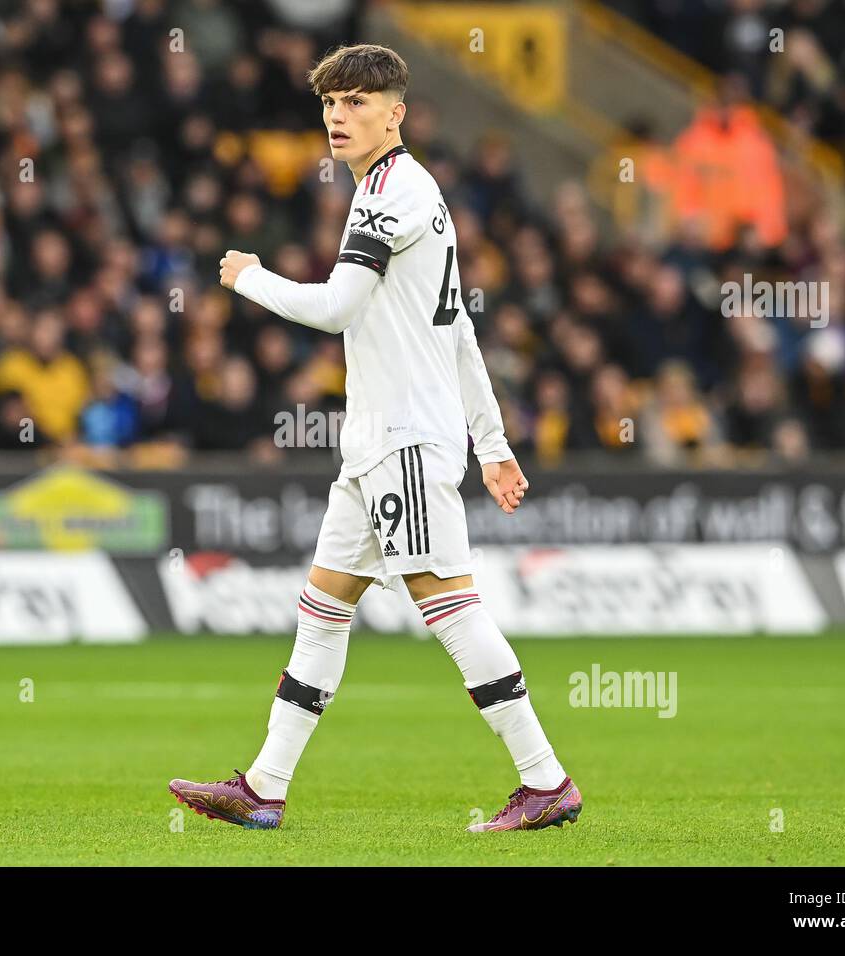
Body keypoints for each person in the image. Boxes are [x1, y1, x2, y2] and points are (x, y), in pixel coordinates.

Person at [168, 44, 580, 833]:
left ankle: (545, 779)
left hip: (404, 441)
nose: (337, 116)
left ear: (396, 114)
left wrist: (248, 276)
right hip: (374, 444)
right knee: (323, 606)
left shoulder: (391, 196)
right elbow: (457, 330)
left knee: (447, 606)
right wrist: (491, 442)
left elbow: (334, 308)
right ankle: (264, 785)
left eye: (356, 102)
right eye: (330, 103)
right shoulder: (405, 191)